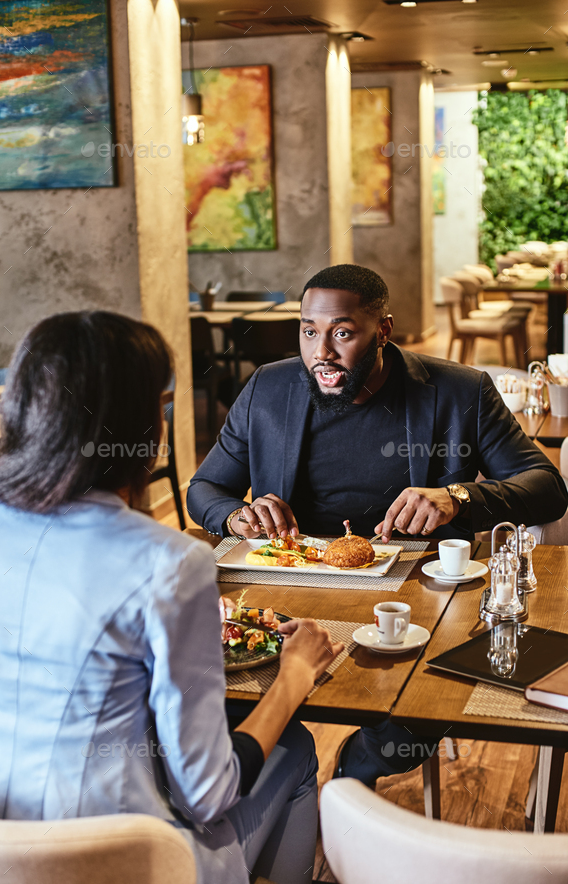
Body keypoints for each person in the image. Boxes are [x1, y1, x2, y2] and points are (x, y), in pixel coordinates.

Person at [0, 310, 344, 884]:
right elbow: (207, 794)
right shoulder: (170, 562)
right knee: (293, 746)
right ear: (146, 424)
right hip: (121, 862)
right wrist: (295, 675)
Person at [188, 263, 568, 785]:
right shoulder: (268, 389)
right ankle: (270, 784)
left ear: (382, 330)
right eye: (309, 331)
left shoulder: (460, 391)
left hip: (418, 592)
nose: (321, 351)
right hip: (291, 585)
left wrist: (459, 497)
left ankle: (348, 779)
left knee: (412, 717)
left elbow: (547, 486)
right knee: (212, 692)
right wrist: (235, 514)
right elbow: (204, 490)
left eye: (342, 333)